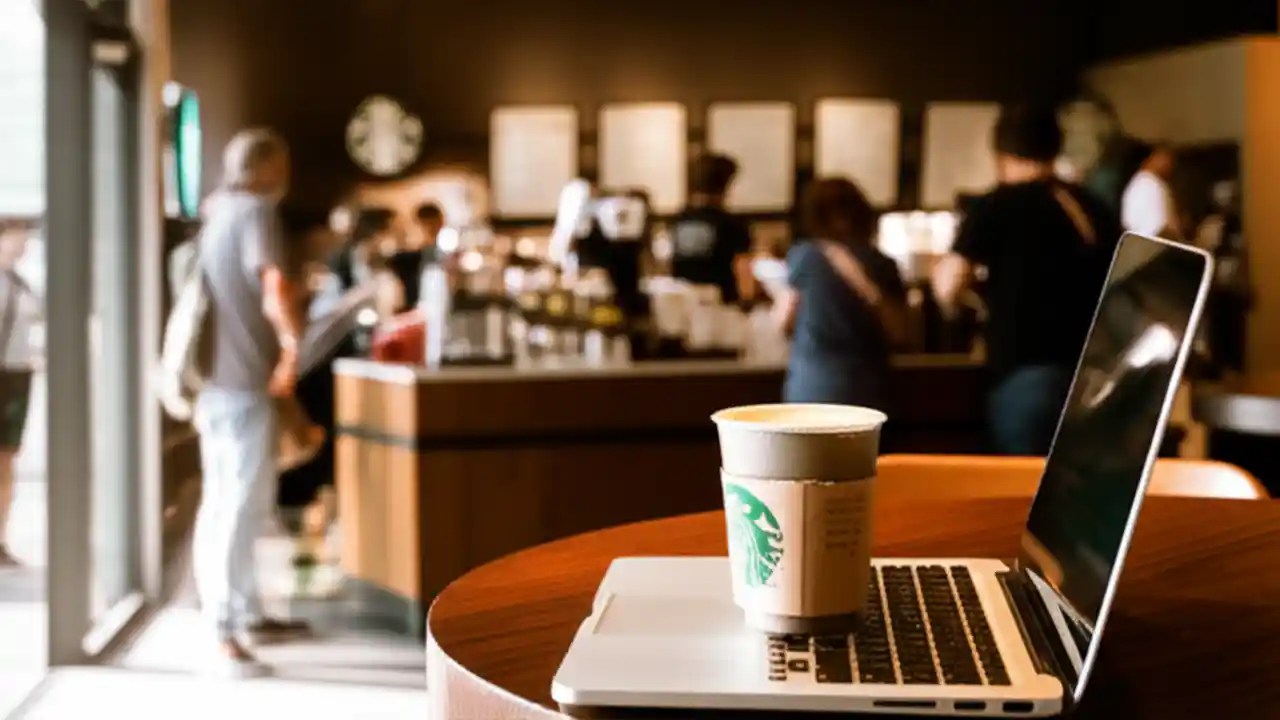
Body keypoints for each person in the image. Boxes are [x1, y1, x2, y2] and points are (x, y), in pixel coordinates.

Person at [933, 105, 1120, 455]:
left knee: (1021, 493)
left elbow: (948, 284)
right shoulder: (1092, 206)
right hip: (1092, 376)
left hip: (1025, 373)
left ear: (1000, 154)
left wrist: (965, 301)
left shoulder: (996, 205)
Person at [193, 128, 310, 674]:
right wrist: (291, 347)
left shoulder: (216, 212)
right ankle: (224, 629)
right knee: (240, 505)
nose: (286, 174)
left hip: (214, 384)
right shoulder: (257, 213)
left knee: (224, 500)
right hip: (244, 382)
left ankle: (244, 612)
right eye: (282, 162)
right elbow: (273, 287)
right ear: (265, 167)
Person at [774, 178, 907, 410]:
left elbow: (783, 321)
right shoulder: (883, 263)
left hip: (812, 384)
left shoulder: (805, 255)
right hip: (869, 387)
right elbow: (900, 332)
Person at [0, 218, 40, 567]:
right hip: (5, 378)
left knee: (7, 461)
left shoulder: (21, 284)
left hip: (16, 379)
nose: (22, 245)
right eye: (17, 238)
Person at [670, 154, 755, 305]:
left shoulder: (679, 220)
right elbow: (744, 275)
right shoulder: (732, 224)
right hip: (722, 306)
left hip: (684, 306)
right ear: (726, 185)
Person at [1121, 144, 1182, 239]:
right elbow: (1162, 230)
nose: (1171, 163)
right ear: (1154, 157)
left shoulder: (1138, 183)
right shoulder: (1151, 185)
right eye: (1166, 156)